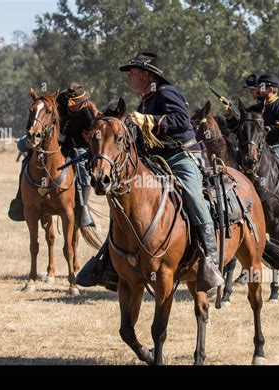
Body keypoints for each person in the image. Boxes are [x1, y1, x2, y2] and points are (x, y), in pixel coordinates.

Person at [76, 52, 224, 292]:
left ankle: (210, 257)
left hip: (180, 156)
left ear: (146, 75)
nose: (129, 77)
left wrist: (150, 121)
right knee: (122, 200)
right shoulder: (145, 99)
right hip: (154, 160)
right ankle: (109, 262)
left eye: (132, 73)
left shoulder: (167, 93)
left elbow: (181, 122)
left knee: (194, 197)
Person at [225, 74, 279, 227]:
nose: (258, 90)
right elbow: (240, 130)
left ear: (271, 89)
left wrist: (262, 129)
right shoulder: (255, 108)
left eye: (261, 87)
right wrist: (230, 118)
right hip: (256, 149)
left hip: (278, 147)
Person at [8, 83, 95, 227]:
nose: (71, 105)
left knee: (83, 172)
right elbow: (36, 115)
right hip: (46, 137)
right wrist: (31, 134)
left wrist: (66, 139)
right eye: (70, 102)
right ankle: (19, 200)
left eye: (75, 103)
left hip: (74, 144)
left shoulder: (88, 117)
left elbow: (85, 140)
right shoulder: (61, 99)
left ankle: (82, 208)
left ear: (83, 103)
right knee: (23, 148)